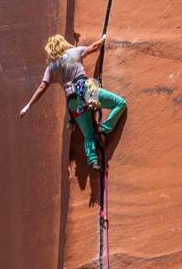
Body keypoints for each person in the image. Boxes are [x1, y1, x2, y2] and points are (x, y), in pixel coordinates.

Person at [20, 33, 127, 170]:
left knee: (88, 133)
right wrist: (104, 38)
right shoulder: (74, 52)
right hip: (84, 90)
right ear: (62, 43)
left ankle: (93, 160)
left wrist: (27, 106)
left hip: (72, 102)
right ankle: (104, 129)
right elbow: (94, 47)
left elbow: (42, 87)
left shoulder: (52, 68)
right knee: (120, 103)